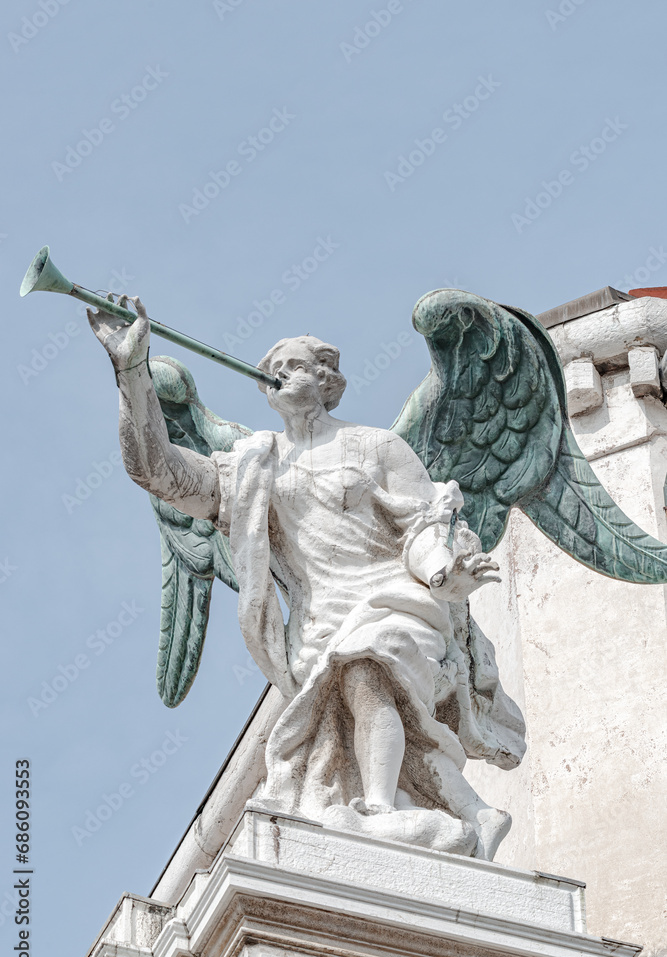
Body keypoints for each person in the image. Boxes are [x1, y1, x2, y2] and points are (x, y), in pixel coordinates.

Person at [89, 295, 526, 860]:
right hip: (318, 624)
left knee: (369, 665)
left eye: (294, 364)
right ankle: (474, 814)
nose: (280, 374)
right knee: (372, 716)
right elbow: (158, 470)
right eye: (273, 370)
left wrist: (448, 566)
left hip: (397, 601)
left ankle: (378, 813)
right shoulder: (254, 464)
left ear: (326, 379)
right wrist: (132, 371)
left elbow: (425, 525)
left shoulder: (376, 446)